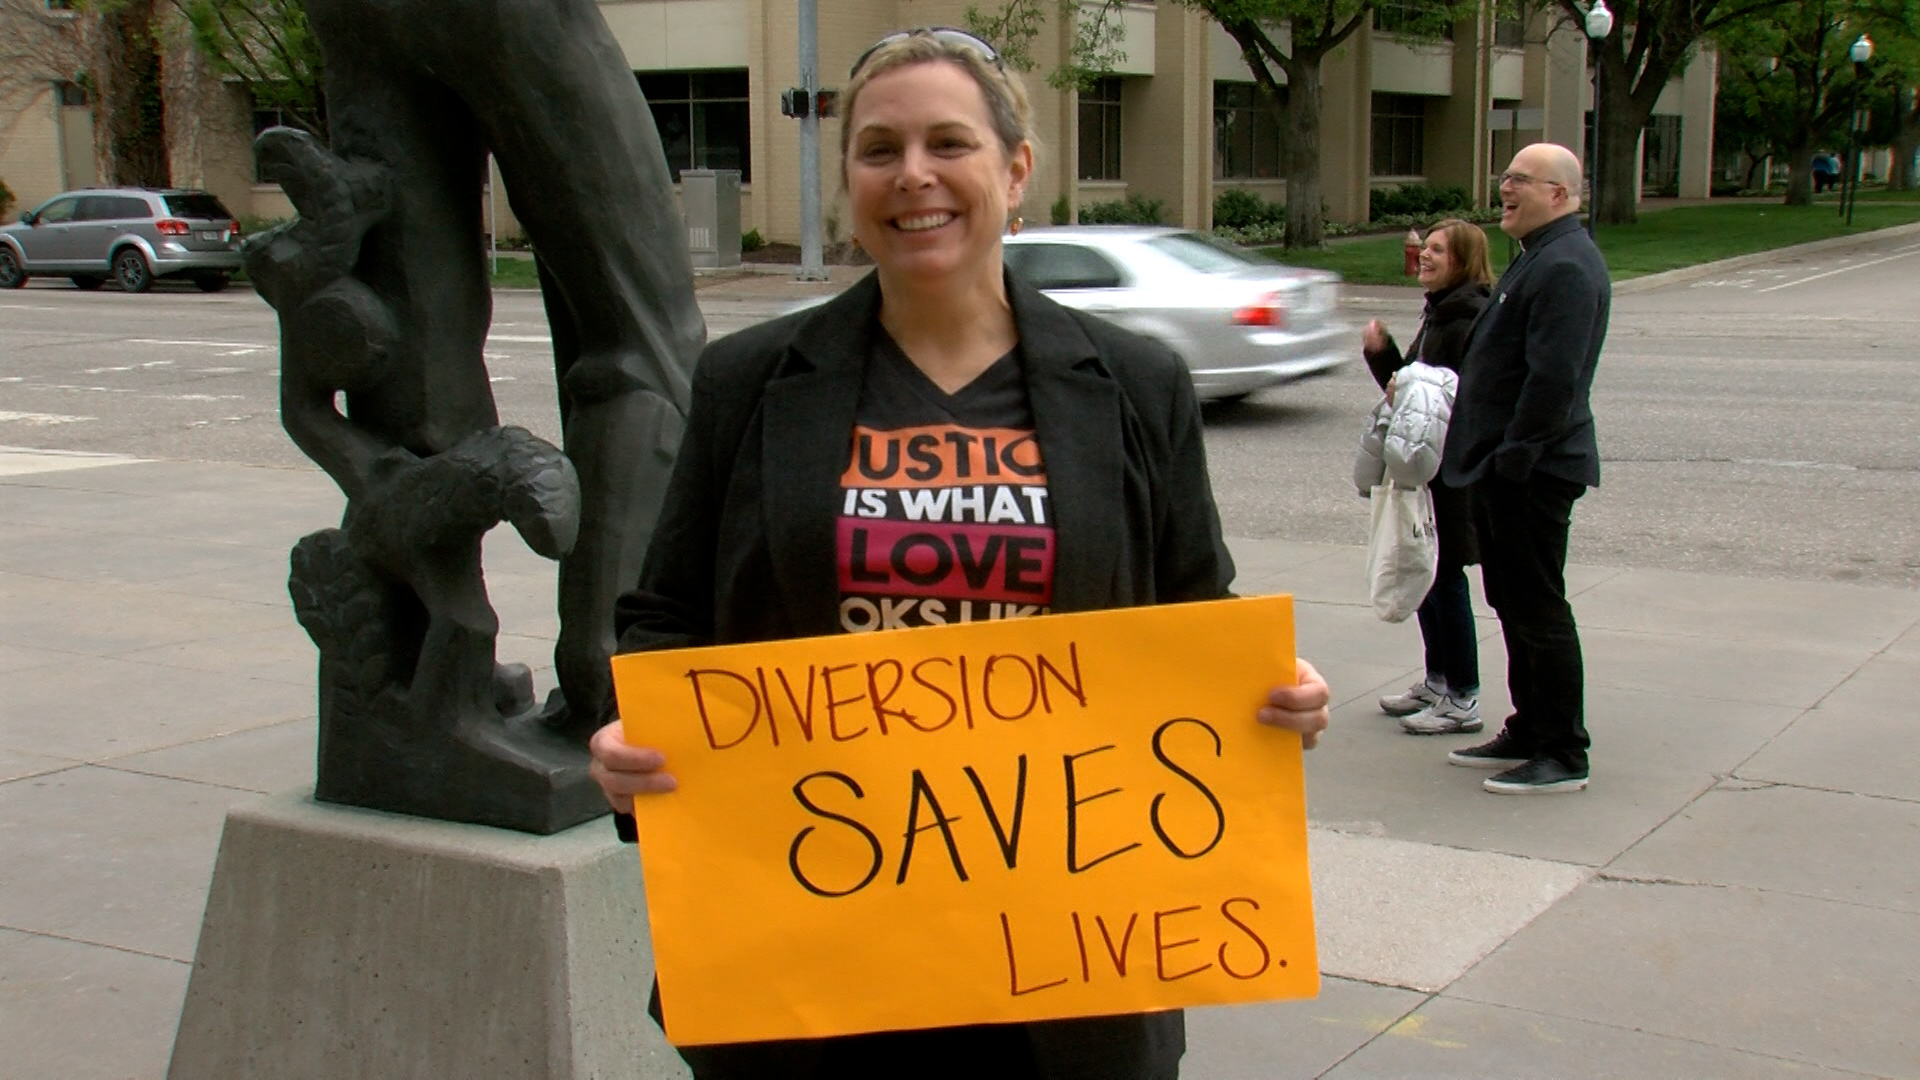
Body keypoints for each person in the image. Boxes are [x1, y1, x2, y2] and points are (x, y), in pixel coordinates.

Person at [585, 27, 1332, 1079]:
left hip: (1068, 964)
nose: (913, 176)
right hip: (814, 953)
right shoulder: (748, 381)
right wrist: (631, 740)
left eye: (949, 143)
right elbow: (664, 616)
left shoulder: (1133, 384)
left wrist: (1273, 700)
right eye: (878, 149)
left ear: (1015, 169)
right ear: (847, 177)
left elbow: (1195, 620)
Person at [1440, 142, 1608, 795]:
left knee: (1538, 606)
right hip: (1504, 467)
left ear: (1559, 194)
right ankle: (1530, 726)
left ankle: (1563, 750)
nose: (1504, 188)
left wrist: (1511, 461)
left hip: (1532, 472)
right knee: (1510, 601)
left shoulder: (1565, 266)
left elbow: (1553, 383)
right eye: (1505, 176)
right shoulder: (1537, 256)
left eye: (1519, 180)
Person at [1359, 218, 1494, 735]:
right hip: (1426, 466)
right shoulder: (1441, 312)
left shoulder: (1465, 319)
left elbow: (1445, 401)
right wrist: (1381, 354)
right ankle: (1438, 680)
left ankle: (1463, 697)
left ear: (1461, 260)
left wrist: (1391, 369)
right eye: (1425, 248)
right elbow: (1408, 391)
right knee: (1427, 574)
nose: (1425, 256)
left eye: (1438, 250)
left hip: (1450, 470)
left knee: (1443, 575)